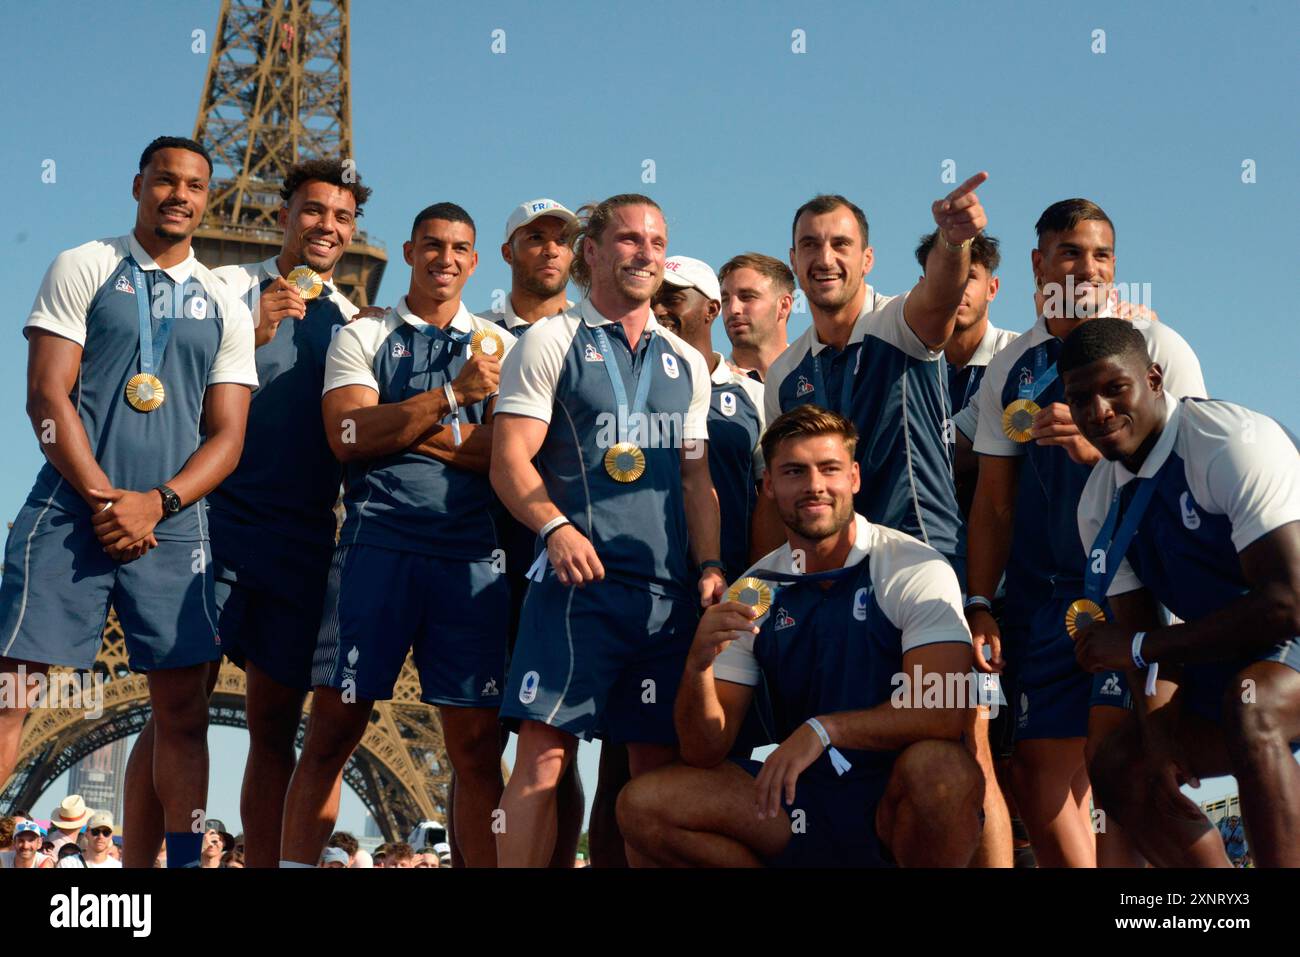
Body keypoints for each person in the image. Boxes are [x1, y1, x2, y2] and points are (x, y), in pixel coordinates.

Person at [0, 136, 257, 869]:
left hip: (172, 526)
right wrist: (109, 500)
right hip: (69, 511)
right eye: (166, 180)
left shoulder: (226, 306)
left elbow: (230, 436)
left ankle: (180, 864)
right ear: (138, 184)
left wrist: (158, 501)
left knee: (182, 715)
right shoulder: (84, 264)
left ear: (209, 197)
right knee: (11, 694)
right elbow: (46, 396)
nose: (180, 194)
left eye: (195, 184)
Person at [617, 405, 983, 866]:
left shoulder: (914, 565)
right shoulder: (754, 589)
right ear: (769, 485)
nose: (814, 486)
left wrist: (825, 730)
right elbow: (704, 748)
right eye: (794, 472)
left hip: (896, 794)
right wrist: (698, 667)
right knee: (646, 804)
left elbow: (944, 714)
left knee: (943, 769)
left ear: (854, 477)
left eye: (828, 469)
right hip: (799, 797)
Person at [965, 201, 1206, 867]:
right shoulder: (1011, 366)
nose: (1088, 268)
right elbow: (991, 504)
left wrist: (1101, 453)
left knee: (1119, 767)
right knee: (1040, 779)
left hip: (1131, 595)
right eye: (1071, 252)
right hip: (1041, 606)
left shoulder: (1158, 347)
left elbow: (1192, 477)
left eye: (1101, 255)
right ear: (1039, 264)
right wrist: (981, 602)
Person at [491, 194, 723, 867]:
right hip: (576, 584)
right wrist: (555, 526)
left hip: (662, 596)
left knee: (654, 771)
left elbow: (695, 481)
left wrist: (709, 561)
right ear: (590, 251)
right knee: (543, 758)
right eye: (627, 239)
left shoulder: (685, 363)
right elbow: (509, 459)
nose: (644, 252)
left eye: (655, 240)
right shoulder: (550, 339)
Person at [281, 203, 515, 869]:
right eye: (433, 245)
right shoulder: (364, 333)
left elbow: (506, 454)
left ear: (475, 261)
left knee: (475, 746)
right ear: (409, 253)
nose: (446, 258)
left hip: (469, 557)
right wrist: (452, 398)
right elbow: (346, 436)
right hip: (375, 548)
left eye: (460, 248)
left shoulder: (502, 344)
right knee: (333, 728)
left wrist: (402, 424)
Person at [1060, 317, 1300, 867]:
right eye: (1080, 399)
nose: (1098, 411)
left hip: (1286, 637)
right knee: (1123, 761)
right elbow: (1143, 637)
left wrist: (1142, 647)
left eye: (1114, 388)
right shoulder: (1098, 504)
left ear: (1154, 378)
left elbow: (1289, 603)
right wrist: (1162, 737)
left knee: (1253, 706)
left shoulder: (1229, 444)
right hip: (1235, 659)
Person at [199, 159, 368, 869]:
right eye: (312, 210)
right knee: (176, 713)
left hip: (301, 535)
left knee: (274, 727)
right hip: (208, 520)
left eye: (341, 216)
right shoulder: (221, 290)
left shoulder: (359, 325)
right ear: (284, 215)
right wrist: (250, 330)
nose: (326, 225)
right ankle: (166, 864)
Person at [756, 178, 990, 568]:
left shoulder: (899, 323)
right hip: (833, 572)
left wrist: (953, 242)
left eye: (840, 245)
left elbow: (940, 295)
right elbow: (778, 492)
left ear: (867, 260)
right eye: (811, 245)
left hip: (920, 556)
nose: (825, 259)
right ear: (794, 259)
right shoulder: (783, 374)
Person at [472, 198, 585, 870]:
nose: (549, 249)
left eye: (562, 240)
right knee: (477, 742)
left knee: (555, 740)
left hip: (564, 550)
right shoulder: (472, 334)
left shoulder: (596, 339)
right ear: (508, 251)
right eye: (533, 238)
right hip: (485, 552)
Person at [718, 253, 794, 382]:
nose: (733, 309)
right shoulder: (708, 387)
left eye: (747, 297)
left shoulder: (819, 375)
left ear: (784, 306)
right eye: (725, 300)